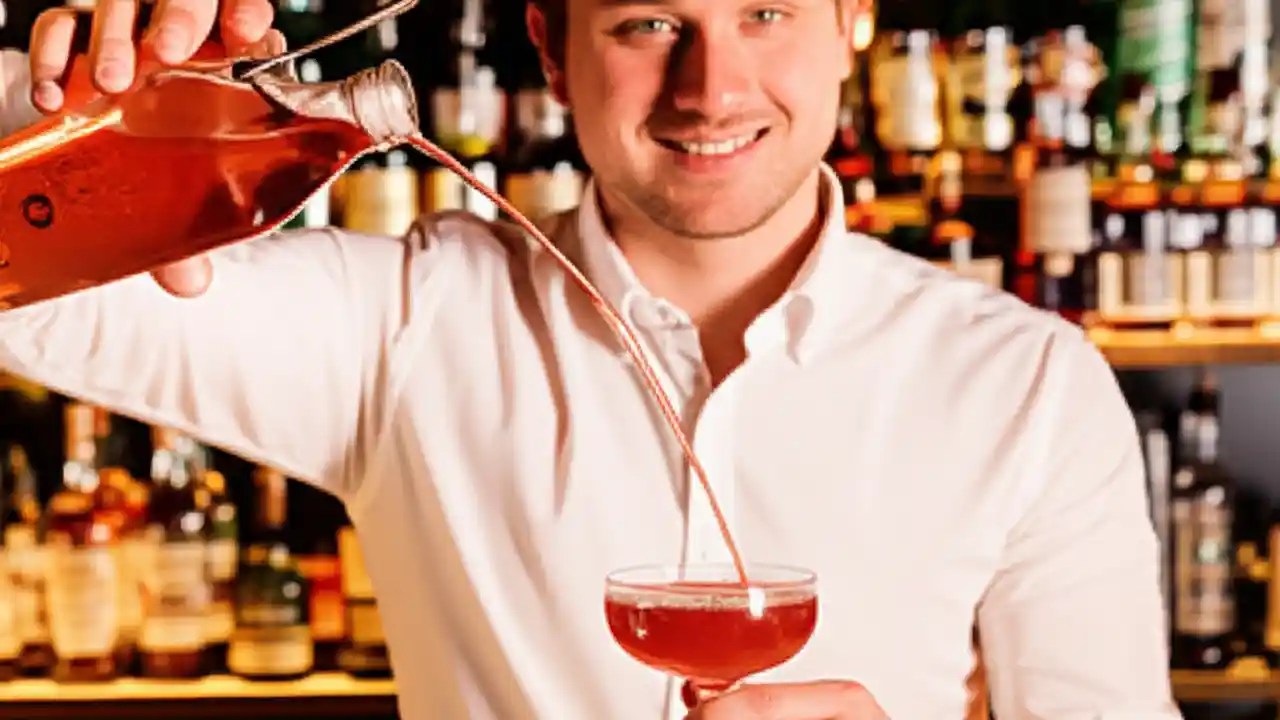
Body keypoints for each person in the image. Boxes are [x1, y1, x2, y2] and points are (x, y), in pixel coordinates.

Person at [0, 1, 1179, 718]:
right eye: (647, 24)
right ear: (550, 54)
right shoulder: (403, 322)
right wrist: (48, 101)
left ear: (849, 25)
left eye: (763, 14)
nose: (709, 87)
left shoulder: (1026, 380)